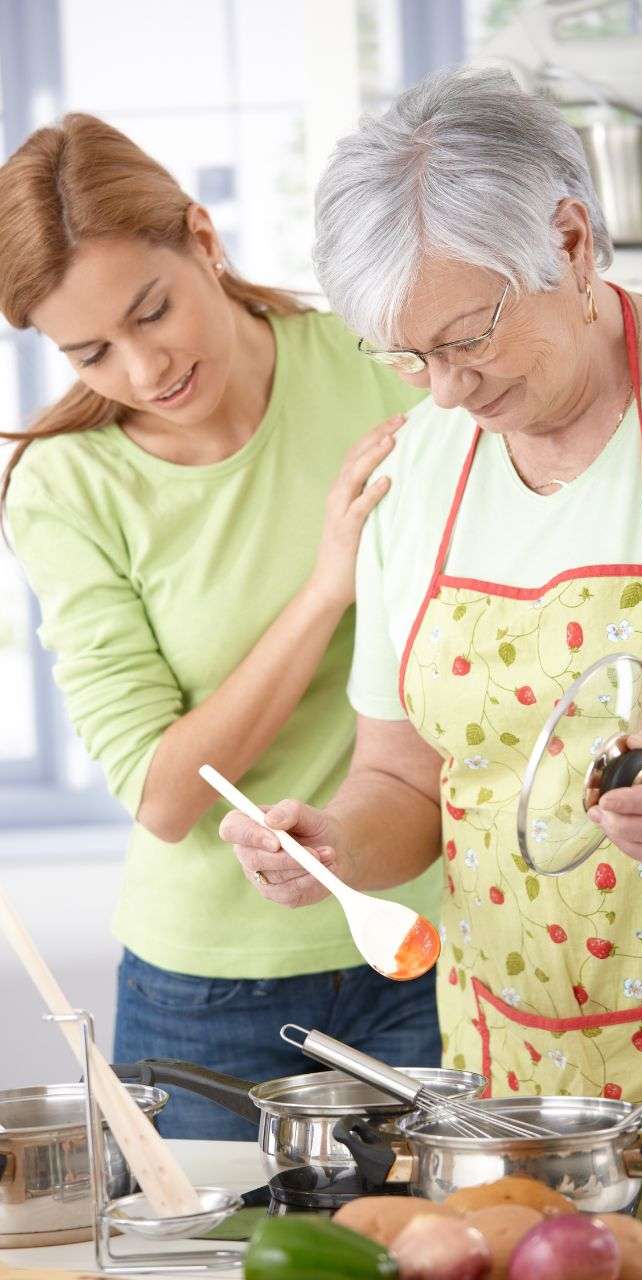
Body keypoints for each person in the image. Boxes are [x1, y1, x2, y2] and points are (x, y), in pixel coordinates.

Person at [219, 69, 642, 1221]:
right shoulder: (419, 470)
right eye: (408, 356)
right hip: (509, 1100)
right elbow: (407, 776)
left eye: (467, 335)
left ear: (572, 238)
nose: (449, 389)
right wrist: (335, 844)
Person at [0, 113, 441, 1138]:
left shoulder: (377, 366)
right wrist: (330, 581)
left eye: (151, 312)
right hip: (210, 991)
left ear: (204, 237)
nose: (143, 369)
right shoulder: (69, 485)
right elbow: (161, 793)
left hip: (423, 942)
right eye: (91, 350)